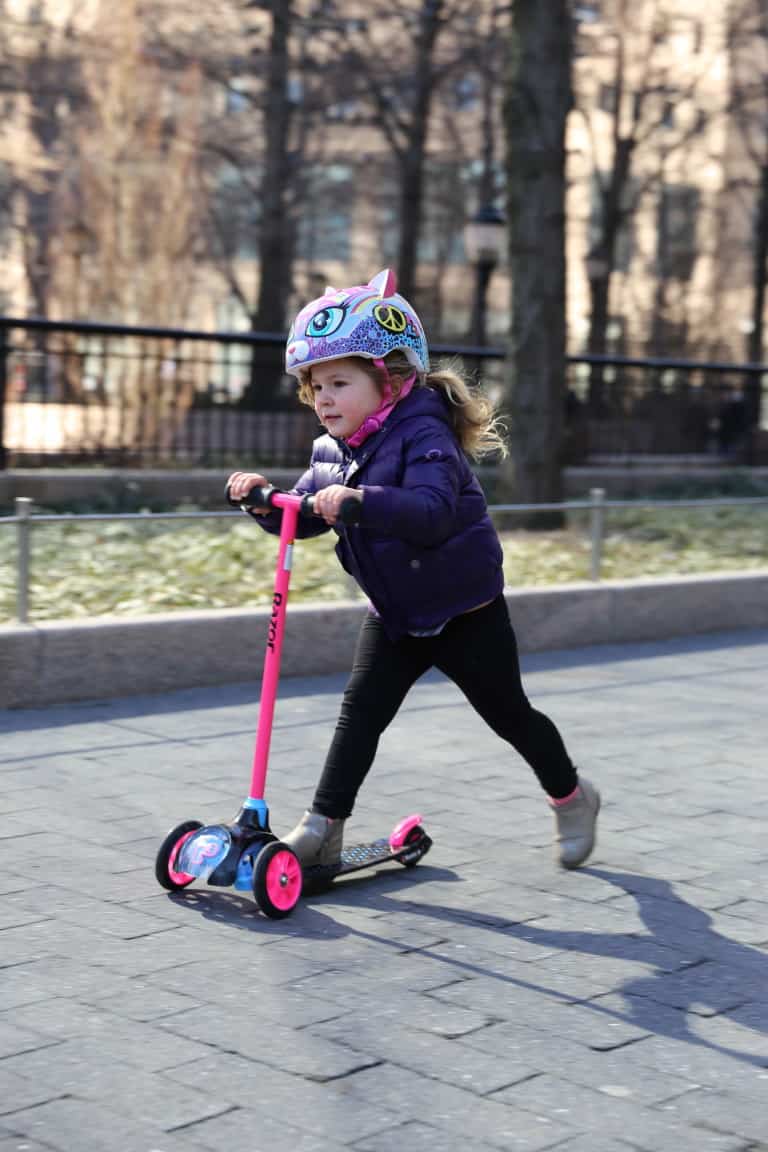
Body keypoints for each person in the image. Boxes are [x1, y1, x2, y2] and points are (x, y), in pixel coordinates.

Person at [227, 269, 600, 872]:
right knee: (360, 715)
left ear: (391, 379)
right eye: (315, 386)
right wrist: (264, 501)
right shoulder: (331, 450)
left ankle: (573, 797)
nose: (323, 399)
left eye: (339, 383)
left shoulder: (426, 432)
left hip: (464, 610)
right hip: (396, 612)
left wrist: (361, 501)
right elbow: (306, 515)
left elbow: (431, 513)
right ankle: (322, 829)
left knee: (509, 715)